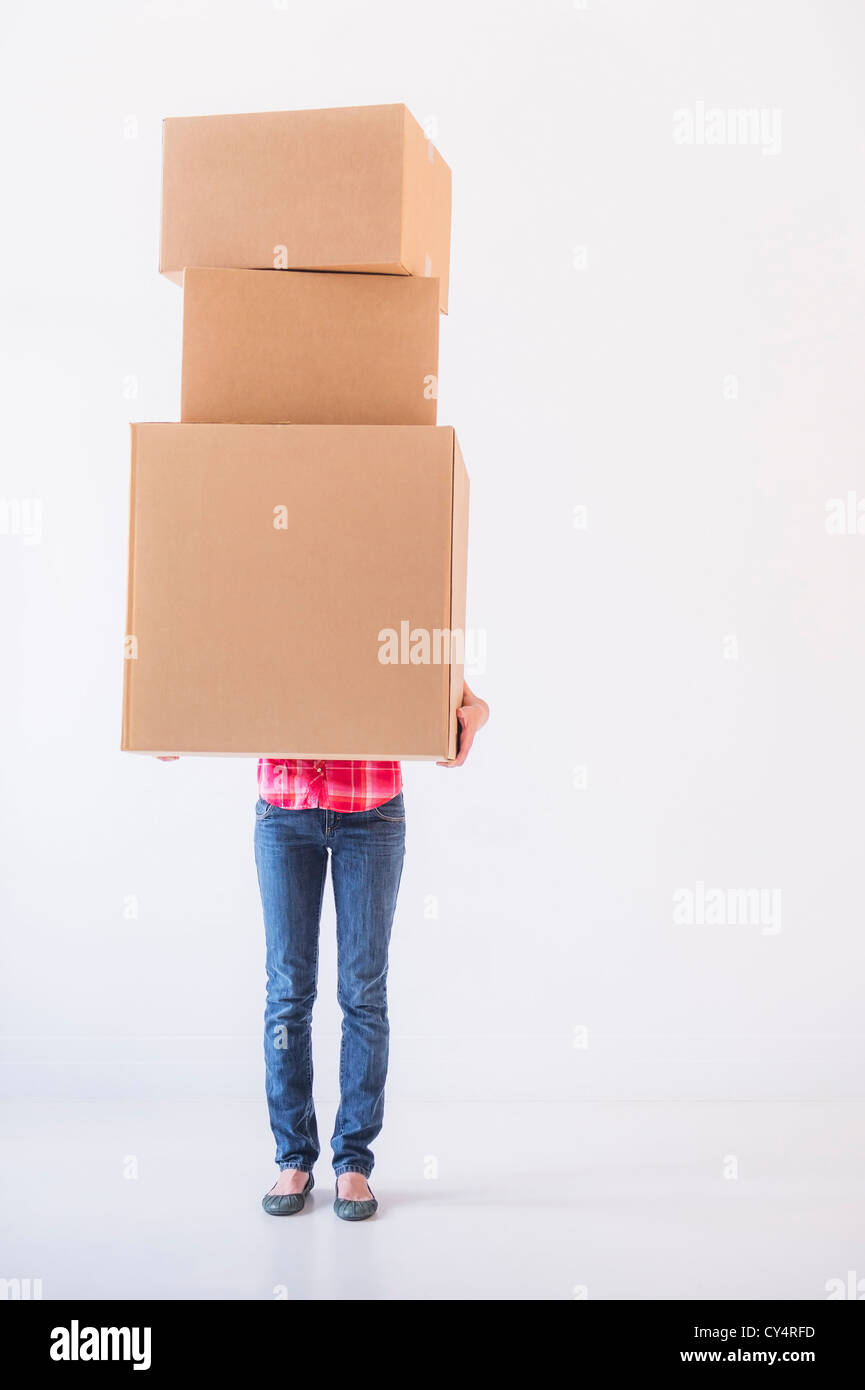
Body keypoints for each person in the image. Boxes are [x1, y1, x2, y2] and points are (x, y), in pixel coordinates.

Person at [159, 681, 489, 1221]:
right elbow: (210, 671)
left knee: (363, 990)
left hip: (372, 812)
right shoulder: (263, 607)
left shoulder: (390, 605)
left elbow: (465, 694)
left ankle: (353, 1163)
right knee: (288, 990)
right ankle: (294, 1158)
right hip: (284, 811)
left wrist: (473, 715)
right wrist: (173, 719)